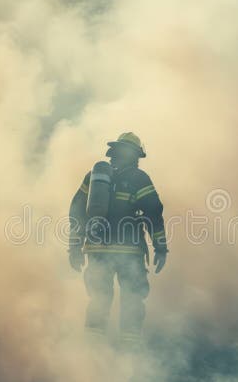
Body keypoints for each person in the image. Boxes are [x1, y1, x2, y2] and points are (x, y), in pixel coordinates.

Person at [68, 132, 167, 348]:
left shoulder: (94, 177)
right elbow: (154, 214)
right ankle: (129, 351)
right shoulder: (139, 179)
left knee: (99, 300)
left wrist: (74, 247)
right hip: (129, 251)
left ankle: (92, 351)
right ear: (135, 156)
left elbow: (76, 211)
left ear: (114, 151)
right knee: (132, 300)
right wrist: (161, 248)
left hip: (96, 249)